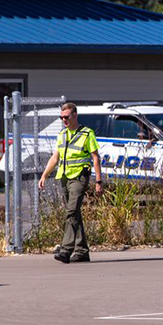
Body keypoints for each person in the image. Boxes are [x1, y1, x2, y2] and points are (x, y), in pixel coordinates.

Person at [38, 103, 103, 263]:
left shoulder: (87, 134)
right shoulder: (62, 134)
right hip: (65, 177)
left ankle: (66, 249)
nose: (64, 120)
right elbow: (56, 157)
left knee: (71, 212)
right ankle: (81, 251)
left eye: (66, 117)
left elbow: (96, 157)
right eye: (62, 117)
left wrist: (99, 181)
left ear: (75, 115)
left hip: (79, 177)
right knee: (74, 213)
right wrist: (44, 175)